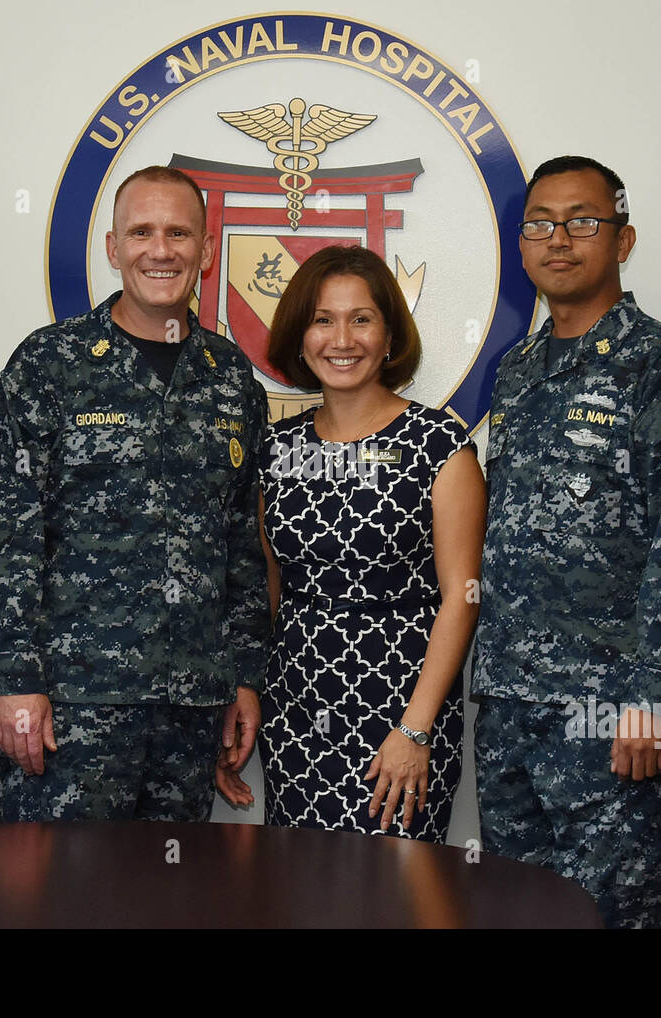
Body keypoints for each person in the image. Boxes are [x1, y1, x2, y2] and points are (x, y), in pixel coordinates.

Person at [0, 166, 269, 824]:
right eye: (142, 232)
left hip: (191, 709)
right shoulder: (51, 364)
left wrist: (243, 674)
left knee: (169, 902)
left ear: (207, 251)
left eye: (180, 233)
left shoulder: (232, 378)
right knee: (52, 901)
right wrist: (14, 681)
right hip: (72, 709)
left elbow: (240, 540)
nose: (162, 250)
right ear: (113, 248)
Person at [472, 156, 661, 927]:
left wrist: (655, 693)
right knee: (517, 915)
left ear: (623, 239)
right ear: (521, 248)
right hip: (513, 711)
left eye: (584, 221)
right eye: (541, 224)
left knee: (620, 918)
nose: (561, 239)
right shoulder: (515, 372)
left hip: (612, 720)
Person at [216, 245, 484, 841]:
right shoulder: (277, 449)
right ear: (300, 336)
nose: (342, 338)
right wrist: (249, 690)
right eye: (322, 319)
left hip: (401, 711)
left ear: (389, 335)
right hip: (298, 711)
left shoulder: (437, 443)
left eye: (361, 319)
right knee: (299, 890)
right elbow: (270, 588)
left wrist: (416, 729)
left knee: (389, 893)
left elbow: (461, 598)